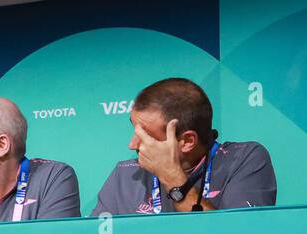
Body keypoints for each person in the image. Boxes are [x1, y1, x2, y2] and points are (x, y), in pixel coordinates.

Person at [93, 77, 277, 215]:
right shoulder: (125, 174)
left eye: (146, 135)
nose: (132, 144)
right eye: (134, 129)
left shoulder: (245, 159)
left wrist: (172, 178)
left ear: (188, 141)